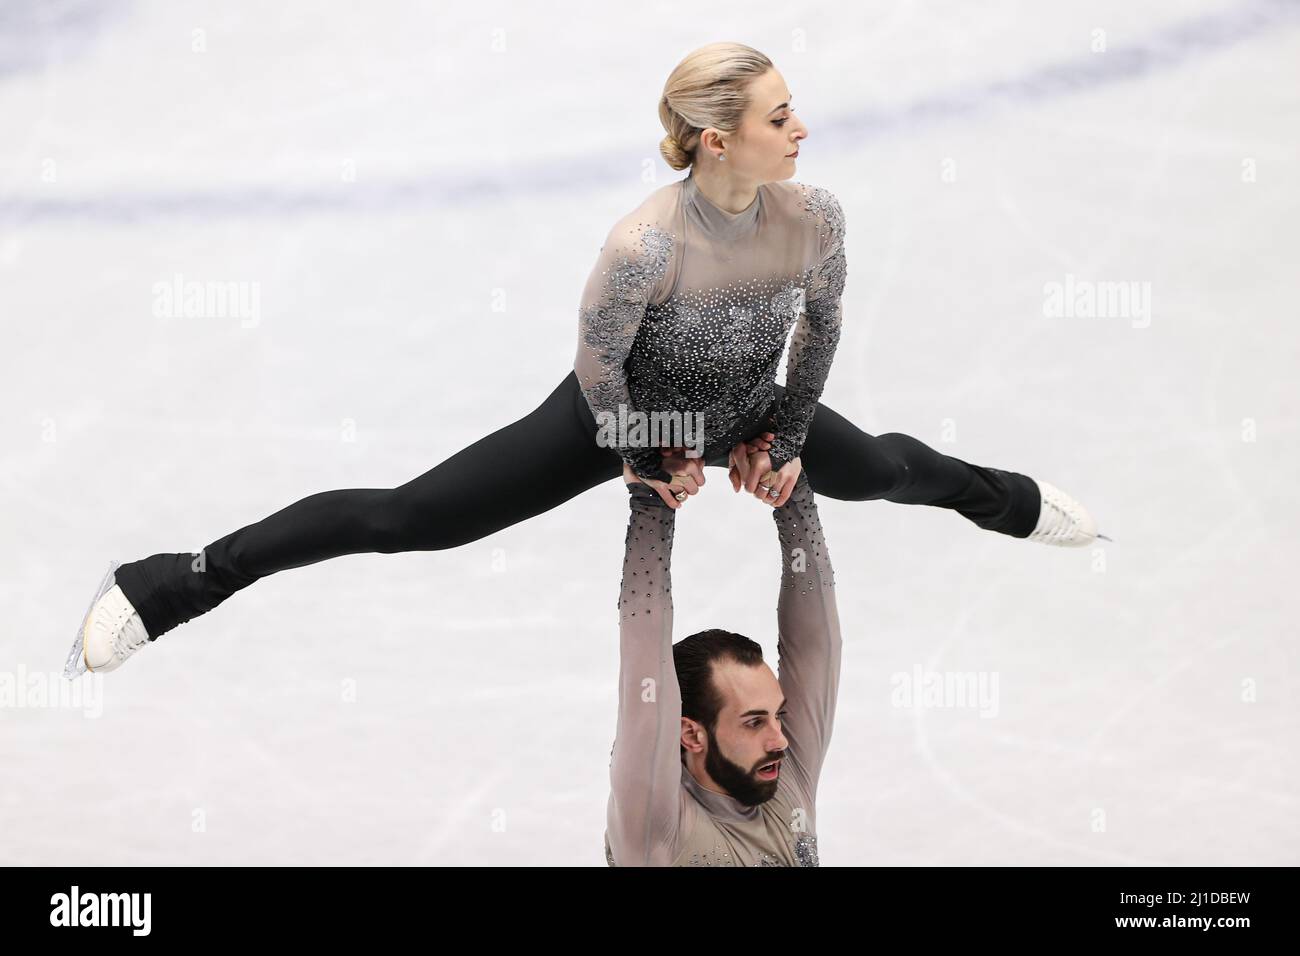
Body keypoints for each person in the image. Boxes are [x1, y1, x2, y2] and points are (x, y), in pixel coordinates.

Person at [67, 42, 1104, 678]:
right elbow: (602, 382)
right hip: (613, 419)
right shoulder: (643, 246)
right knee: (406, 519)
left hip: (746, 404)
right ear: (713, 139)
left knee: (881, 468)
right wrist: (653, 459)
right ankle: (181, 580)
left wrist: (781, 437)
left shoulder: (814, 216)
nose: (801, 127)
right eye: (777, 114)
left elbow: (818, 330)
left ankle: (1001, 497)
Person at [605, 464, 839, 866]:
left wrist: (788, 490)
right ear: (691, 735)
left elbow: (817, 647)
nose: (780, 740)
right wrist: (651, 500)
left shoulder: (783, 780)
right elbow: (643, 651)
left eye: (776, 716)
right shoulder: (656, 826)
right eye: (753, 722)